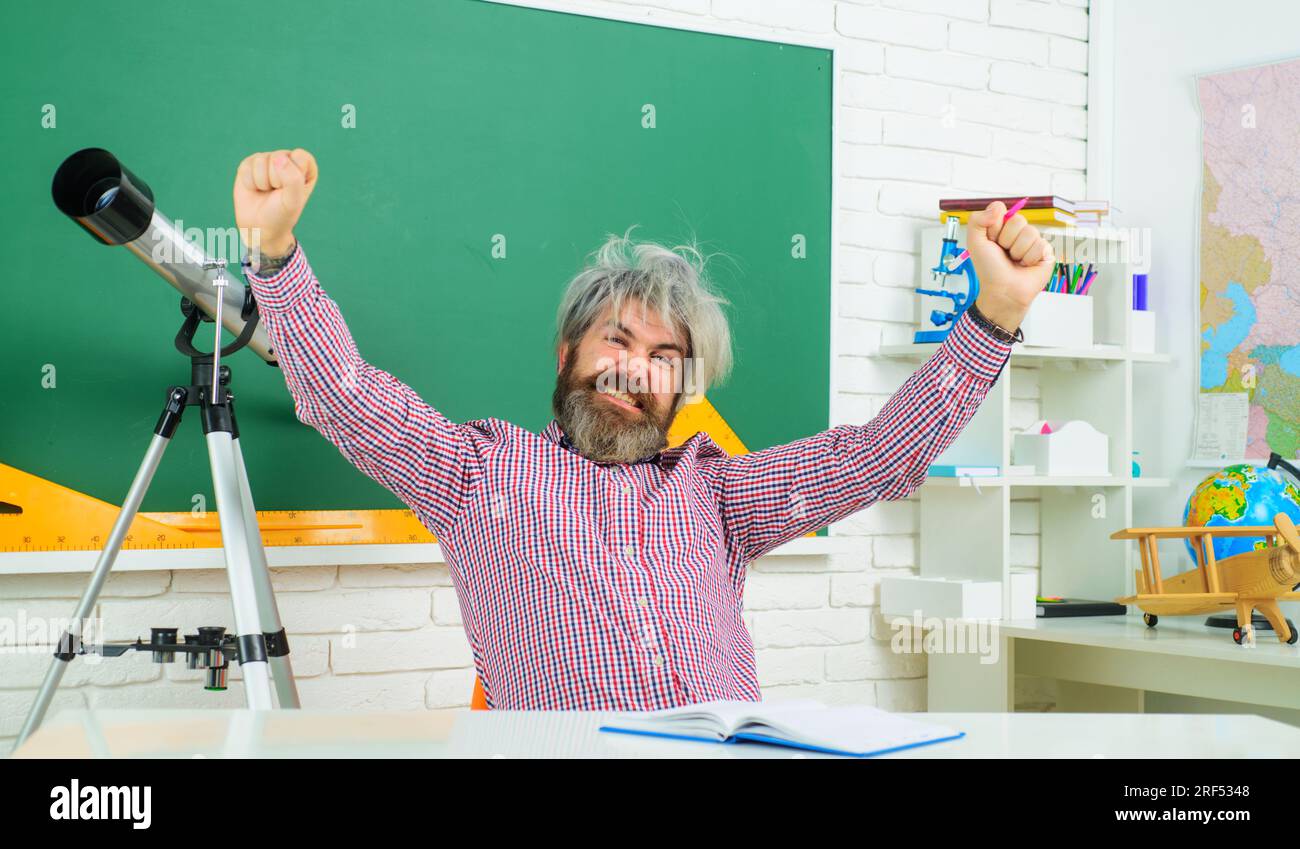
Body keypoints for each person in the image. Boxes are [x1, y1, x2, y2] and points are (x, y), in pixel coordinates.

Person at [233, 148, 1053, 710]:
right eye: (617, 341)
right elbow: (345, 395)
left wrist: (995, 316)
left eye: (664, 355)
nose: (637, 368)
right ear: (567, 353)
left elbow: (879, 455)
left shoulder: (719, 492)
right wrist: (275, 256)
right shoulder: (479, 474)